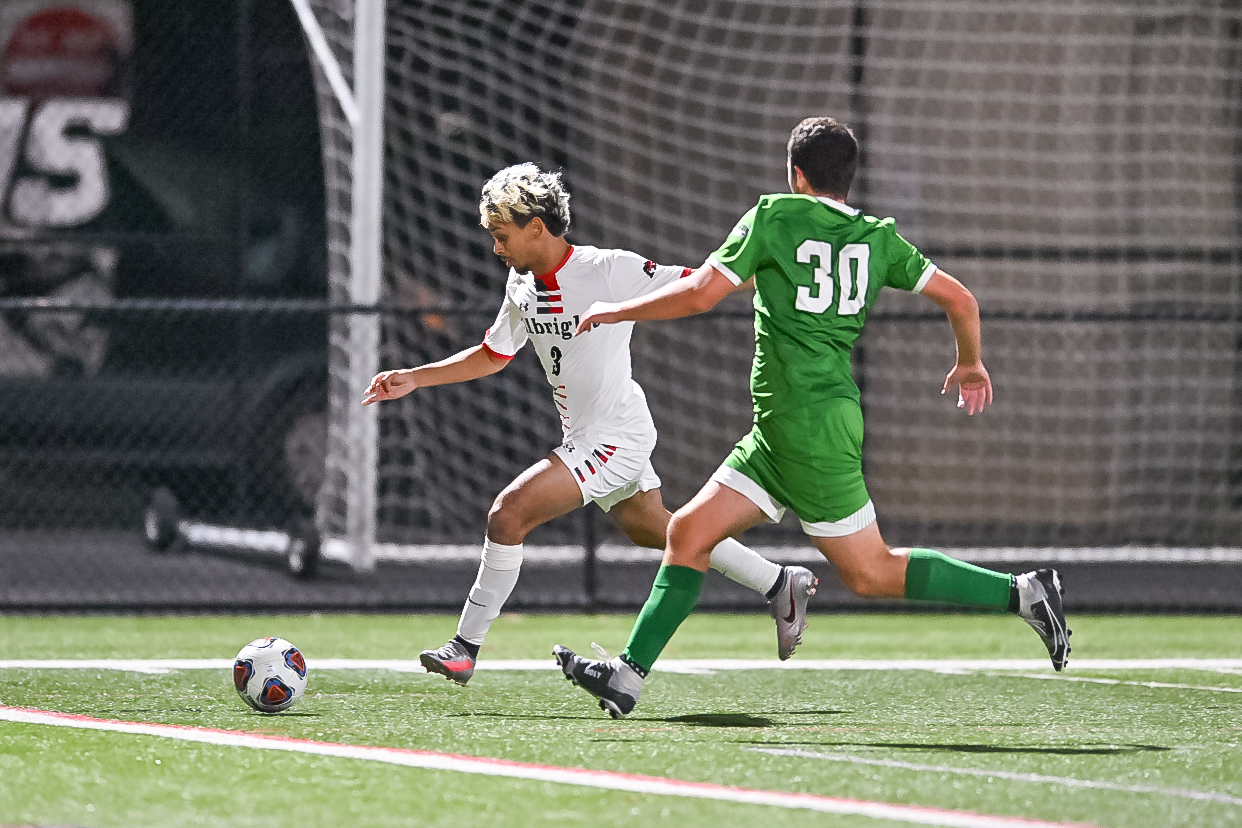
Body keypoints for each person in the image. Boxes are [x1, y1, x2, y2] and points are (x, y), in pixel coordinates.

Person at [554, 117, 1071, 718]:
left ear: (795, 174)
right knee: (688, 533)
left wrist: (618, 310)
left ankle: (1024, 592)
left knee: (871, 572)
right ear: (849, 178)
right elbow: (961, 298)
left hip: (806, 429)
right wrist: (970, 363)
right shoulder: (878, 238)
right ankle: (627, 677)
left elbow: (699, 293)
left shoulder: (774, 216)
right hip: (786, 429)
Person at [362, 163, 816, 685]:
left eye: (502, 235)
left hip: (616, 435)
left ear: (537, 227)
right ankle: (779, 581)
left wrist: (783, 274)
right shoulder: (520, 282)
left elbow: (700, 283)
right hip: (587, 434)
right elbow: (493, 354)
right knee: (659, 529)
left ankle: (464, 647)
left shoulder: (607, 269)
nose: (496, 249)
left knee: (508, 514)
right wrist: (416, 378)